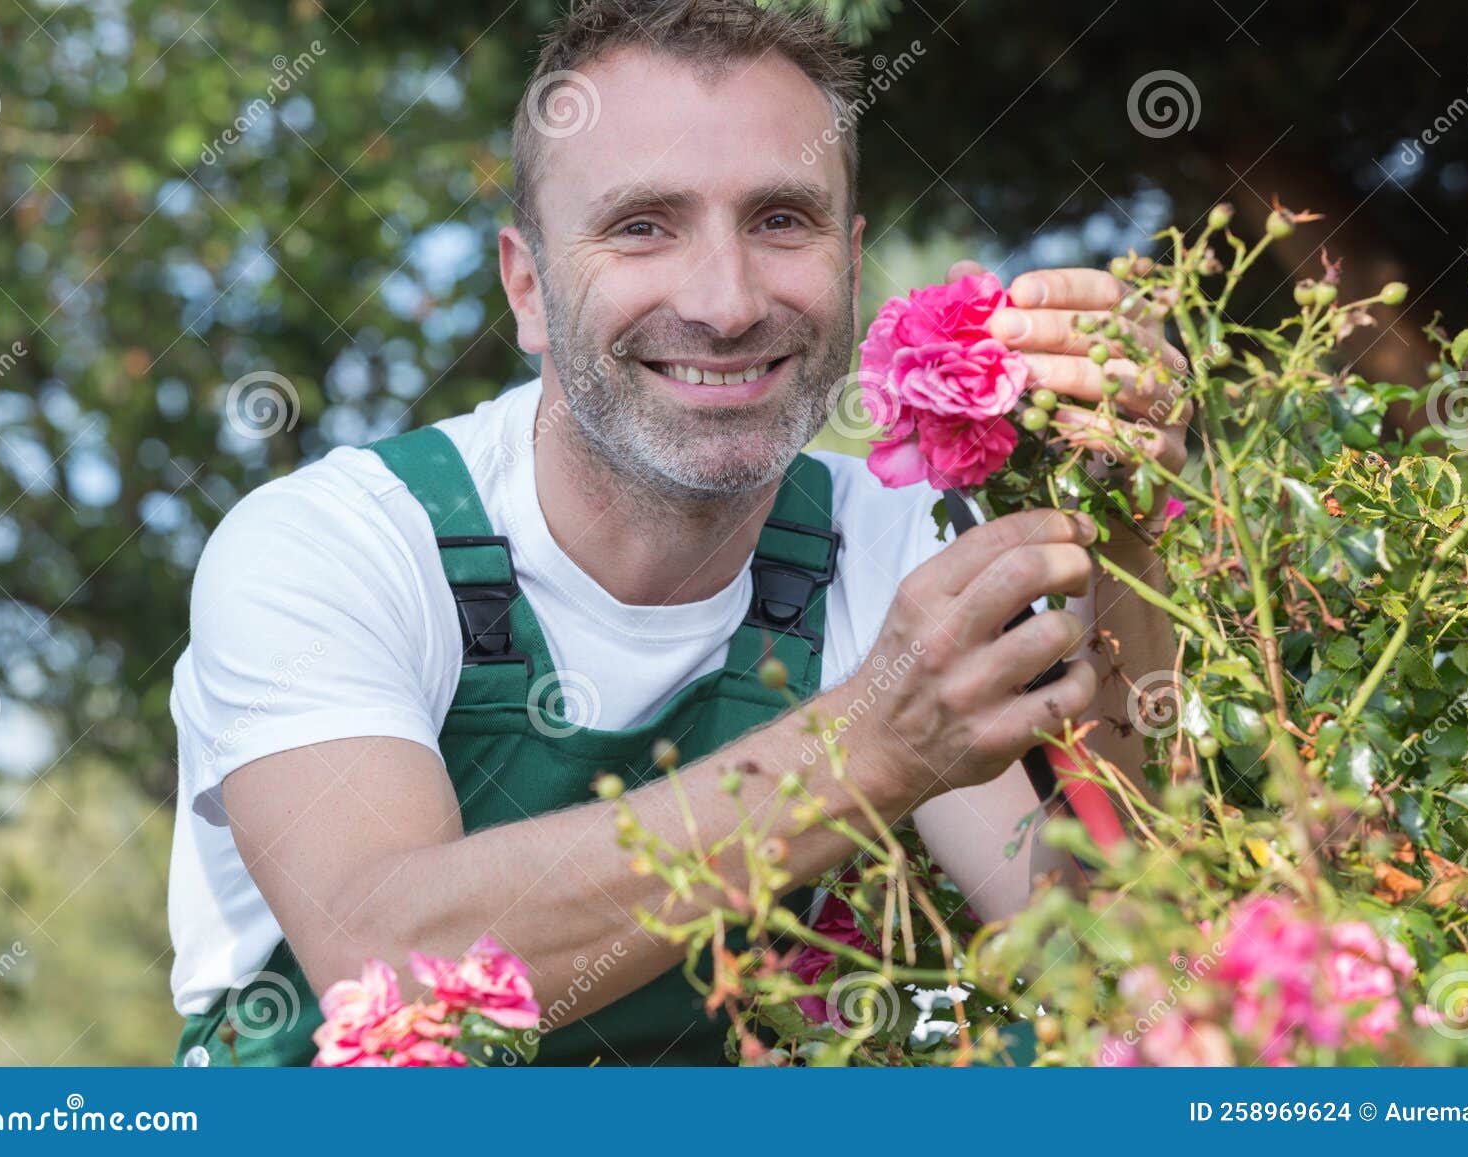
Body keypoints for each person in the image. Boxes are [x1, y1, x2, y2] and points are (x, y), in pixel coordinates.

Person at [167, 0, 1185, 1067]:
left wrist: (1122, 526)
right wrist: (867, 745)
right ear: (527, 284)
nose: (726, 300)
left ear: (848, 265)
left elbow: (1097, 956)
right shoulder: (333, 545)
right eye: (643, 224)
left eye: (780, 219)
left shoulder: (886, 535)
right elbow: (388, 959)